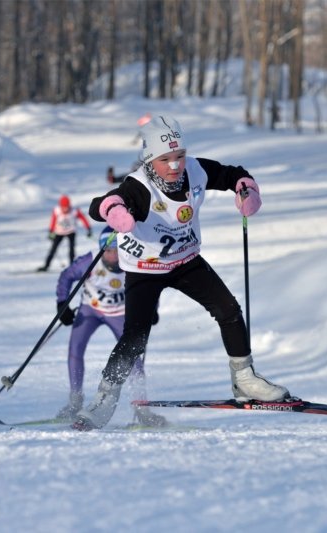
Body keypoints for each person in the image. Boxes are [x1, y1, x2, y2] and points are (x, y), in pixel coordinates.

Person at [73, 115, 290, 430]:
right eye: (165, 160)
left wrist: (246, 189)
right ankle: (104, 399)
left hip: (185, 261)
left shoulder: (196, 170)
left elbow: (232, 174)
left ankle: (245, 379)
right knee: (135, 336)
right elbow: (102, 204)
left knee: (228, 308)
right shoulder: (139, 186)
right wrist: (114, 210)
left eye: (179, 156)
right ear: (150, 161)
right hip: (145, 268)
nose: (174, 166)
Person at [54, 226, 166, 426]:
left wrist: (152, 309)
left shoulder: (133, 262)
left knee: (133, 358)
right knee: (75, 350)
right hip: (90, 310)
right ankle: (75, 402)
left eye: (116, 250)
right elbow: (66, 276)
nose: (112, 255)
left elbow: (150, 287)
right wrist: (62, 303)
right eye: (107, 250)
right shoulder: (89, 262)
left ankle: (142, 409)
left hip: (120, 314)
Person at [37, 195, 92, 272]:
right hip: (59, 232)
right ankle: (46, 265)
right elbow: (53, 221)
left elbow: (83, 218)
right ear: (61, 205)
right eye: (63, 207)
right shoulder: (57, 210)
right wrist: (51, 231)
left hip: (71, 232)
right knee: (53, 249)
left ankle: (72, 266)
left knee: (71, 249)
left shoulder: (74, 211)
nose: (65, 209)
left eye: (66, 206)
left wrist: (88, 228)